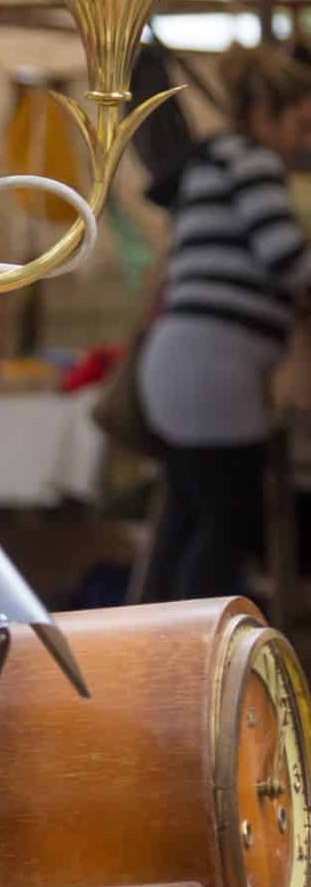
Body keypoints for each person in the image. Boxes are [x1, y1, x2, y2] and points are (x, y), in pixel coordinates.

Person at [139, 44, 311, 599]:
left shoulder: (214, 162)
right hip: (213, 374)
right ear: (265, 114)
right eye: (301, 126)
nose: (304, 143)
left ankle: (156, 647)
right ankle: (196, 659)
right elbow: (288, 260)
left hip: (184, 366)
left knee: (190, 521)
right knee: (223, 529)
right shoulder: (252, 163)